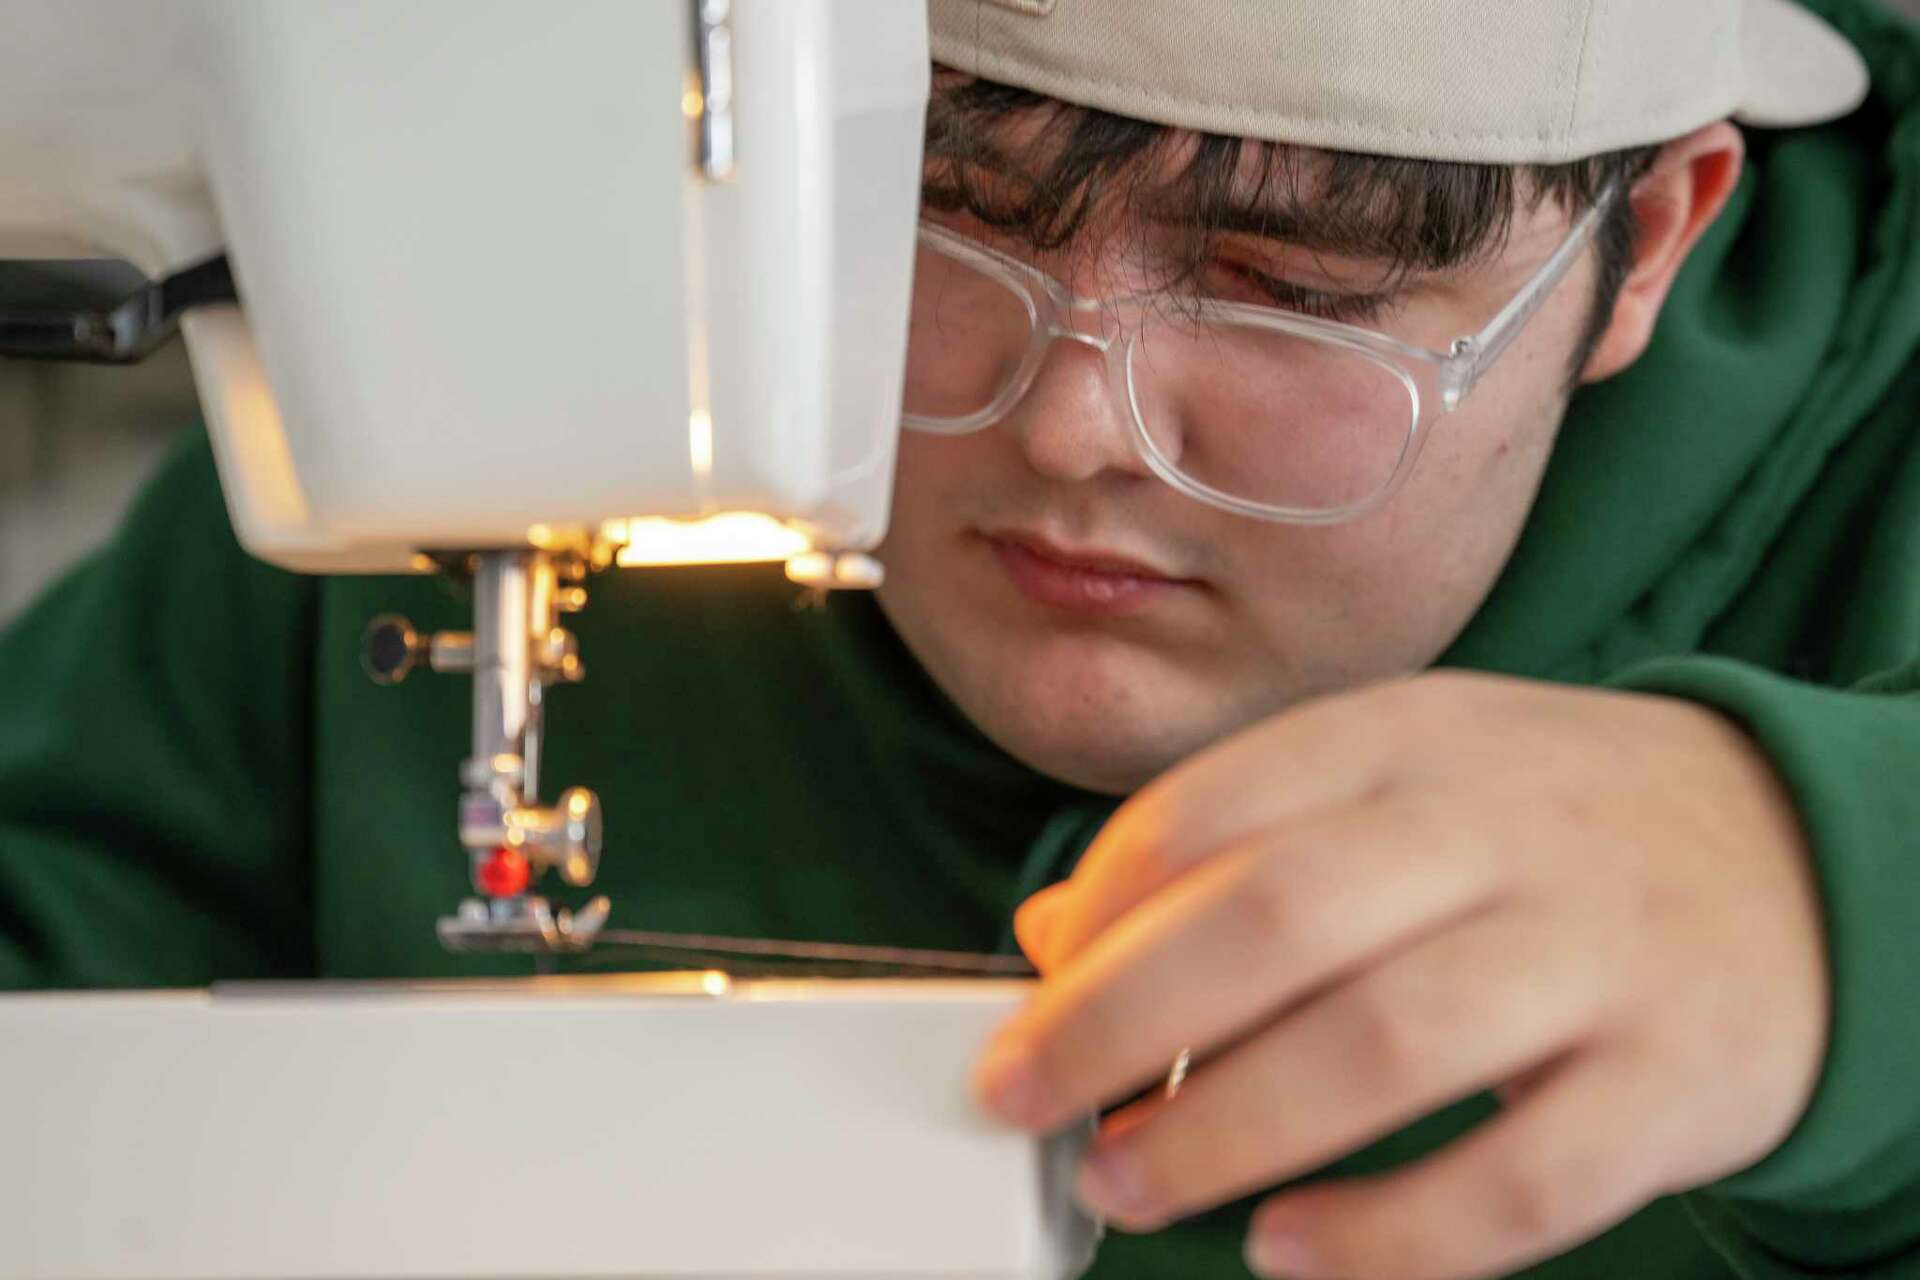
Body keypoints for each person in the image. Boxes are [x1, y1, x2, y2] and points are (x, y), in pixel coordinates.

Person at [2, 0, 1915, 1276]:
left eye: (1292, 291)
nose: (1068, 428)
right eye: (930, 215)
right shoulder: (463, 414)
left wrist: (1852, 884)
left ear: (1651, 238)